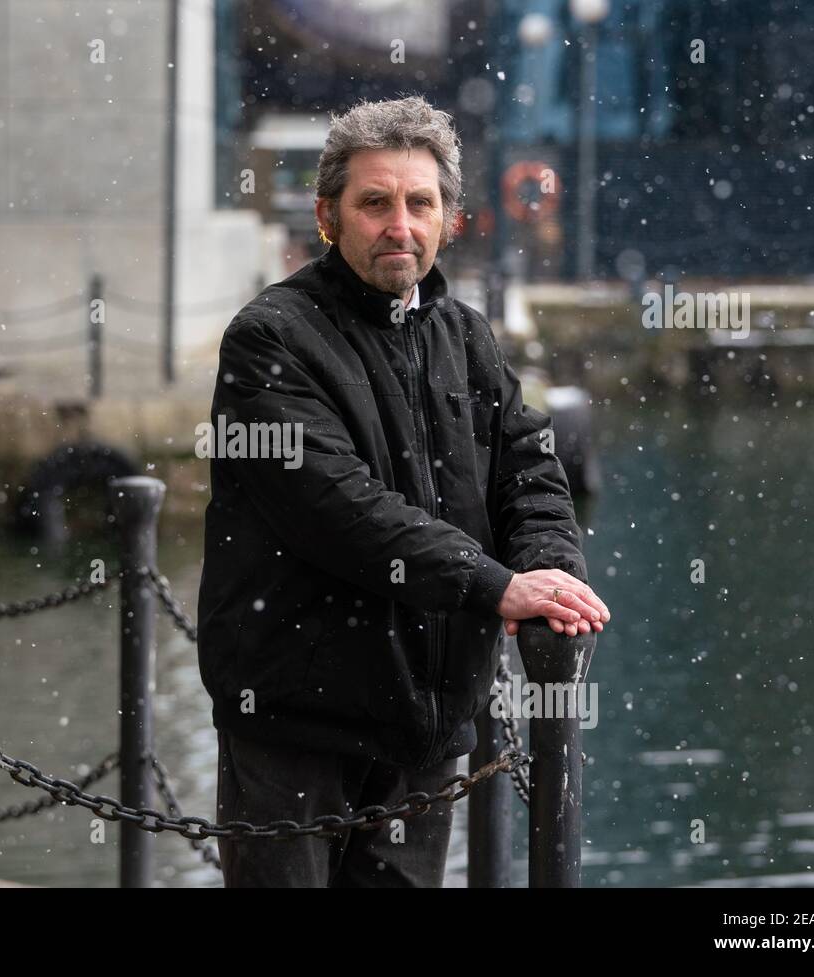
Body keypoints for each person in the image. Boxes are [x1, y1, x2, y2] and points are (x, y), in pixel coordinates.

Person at [196, 95, 611, 887]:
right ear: (329, 216)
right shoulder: (270, 338)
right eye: (375, 203)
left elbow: (528, 468)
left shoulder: (465, 335)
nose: (400, 225)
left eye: (421, 203)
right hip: (293, 725)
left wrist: (554, 574)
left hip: (422, 729)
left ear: (450, 218)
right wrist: (496, 586)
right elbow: (337, 507)